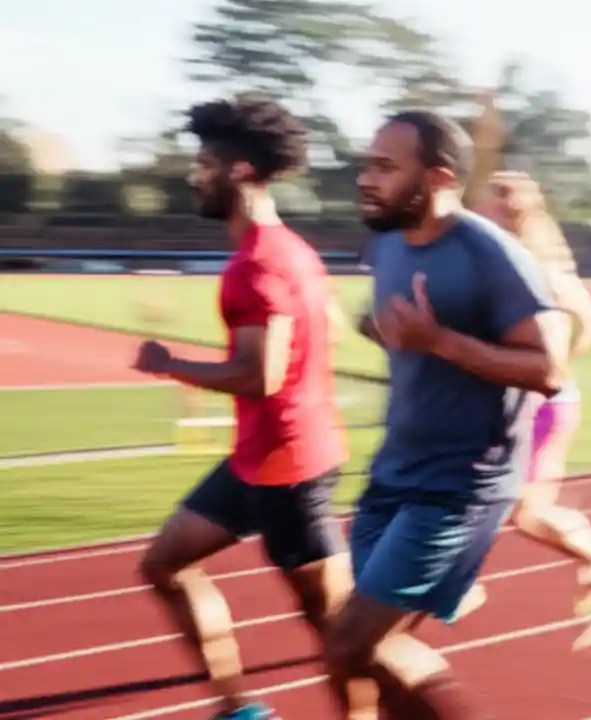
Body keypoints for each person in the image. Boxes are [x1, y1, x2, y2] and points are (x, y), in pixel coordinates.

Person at [322, 109, 567, 720]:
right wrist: (385, 330)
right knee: (372, 654)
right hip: (395, 470)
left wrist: (441, 343)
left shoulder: (492, 254)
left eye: (384, 166)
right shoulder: (385, 239)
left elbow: (550, 367)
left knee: (351, 643)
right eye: (367, 163)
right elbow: (390, 323)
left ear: (435, 178)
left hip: (460, 482)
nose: (365, 178)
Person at [131, 96, 354, 720]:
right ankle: (239, 708)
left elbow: (259, 375)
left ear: (240, 171)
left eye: (204, 163)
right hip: (257, 458)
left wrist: (169, 363)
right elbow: (320, 332)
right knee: (163, 564)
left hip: (290, 472)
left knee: (340, 631)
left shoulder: (255, 264)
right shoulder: (292, 251)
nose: (193, 175)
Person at [474, 172, 591, 619]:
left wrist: (551, 357)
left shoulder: (529, 267)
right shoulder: (523, 260)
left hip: (539, 405)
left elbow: (581, 321)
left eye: (489, 203)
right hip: (535, 401)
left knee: (522, 510)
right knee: (509, 504)